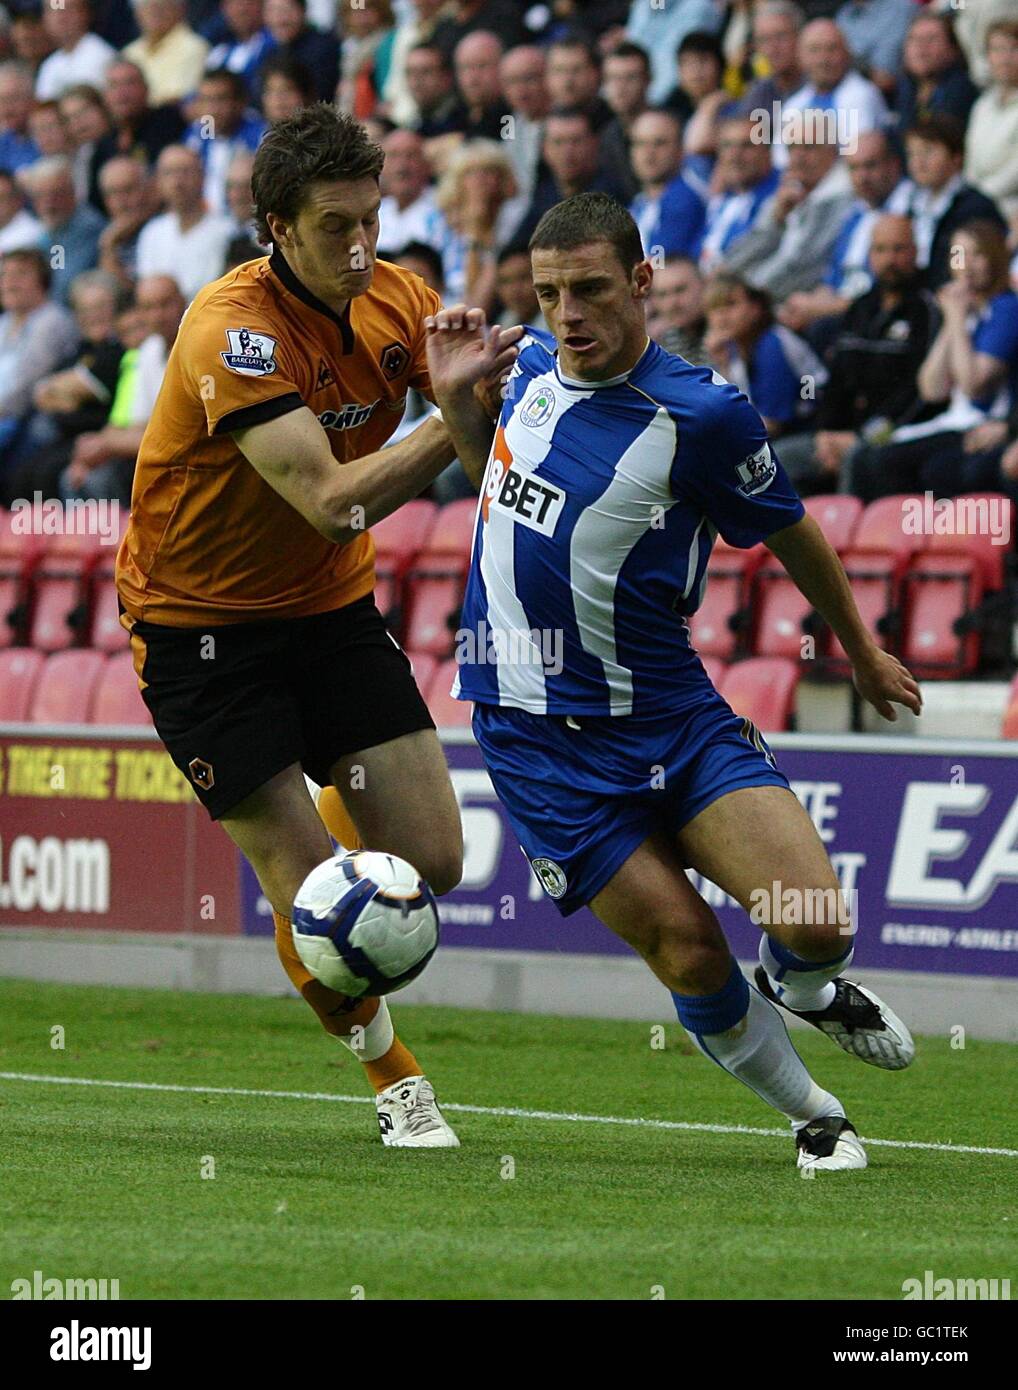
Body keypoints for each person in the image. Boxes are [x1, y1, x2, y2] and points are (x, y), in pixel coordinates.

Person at [427, 190, 919, 1173]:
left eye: (592, 289)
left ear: (642, 280)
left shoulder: (703, 413)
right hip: (533, 741)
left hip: (671, 717)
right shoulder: (519, 369)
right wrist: (449, 404)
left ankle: (807, 988)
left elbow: (794, 531)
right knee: (689, 950)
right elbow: (498, 499)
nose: (569, 313)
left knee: (818, 922)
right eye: (551, 291)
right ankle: (815, 1116)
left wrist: (859, 648)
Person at [114, 104, 520, 1148]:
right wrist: (447, 412)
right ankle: (397, 1081)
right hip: (200, 631)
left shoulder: (403, 300)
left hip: (330, 609)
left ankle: (337, 849)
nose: (359, 246)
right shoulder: (228, 329)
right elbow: (332, 497)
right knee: (313, 899)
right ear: (275, 229)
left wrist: (477, 409)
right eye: (334, 226)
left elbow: (478, 473)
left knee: (434, 859)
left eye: (371, 221)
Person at [849, 219, 1018, 500]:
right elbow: (932, 388)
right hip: (955, 421)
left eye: (977, 254)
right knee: (868, 457)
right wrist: (954, 321)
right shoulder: (966, 309)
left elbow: (973, 383)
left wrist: (954, 317)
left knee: (898, 464)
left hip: (983, 422)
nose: (967, 265)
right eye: (959, 255)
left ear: (995, 259)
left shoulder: (1006, 309)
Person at [785, 215, 942, 493]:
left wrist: (862, 437)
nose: (889, 259)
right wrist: (825, 433)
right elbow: (834, 381)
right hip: (842, 434)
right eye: (881, 250)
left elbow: (919, 394)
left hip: (896, 434)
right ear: (869, 255)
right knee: (777, 459)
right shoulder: (859, 309)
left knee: (858, 460)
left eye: (898, 249)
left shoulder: (928, 309)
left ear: (916, 252)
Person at [721, 131, 854, 301]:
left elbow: (800, 265)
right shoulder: (784, 196)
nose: (798, 157)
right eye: (792, 148)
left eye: (809, 147)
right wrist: (775, 220)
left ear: (833, 152)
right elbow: (735, 261)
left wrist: (745, 295)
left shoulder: (841, 200)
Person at [703, 271, 827, 440]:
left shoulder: (772, 344)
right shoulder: (729, 349)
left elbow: (772, 425)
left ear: (755, 308)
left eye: (731, 304)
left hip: (813, 428)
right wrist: (723, 366)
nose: (722, 316)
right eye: (714, 308)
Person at [902, 113, 1006, 289]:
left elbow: (966, 263)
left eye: (928, 151)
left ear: (956, 156)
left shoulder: (975, 207)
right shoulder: (913, 204)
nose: (918, 162)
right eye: (912, 154)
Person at [135, 144, 236, 300]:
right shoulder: (152, 232)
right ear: (158, 181)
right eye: (169, 173)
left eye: (185, 172)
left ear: (202, 176)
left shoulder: (228, 231)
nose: (177, 182)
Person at [628, 107, 706, 260]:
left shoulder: (684, 200)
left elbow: (659, 264)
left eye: (659, 143)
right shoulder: (640, 203)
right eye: (640, 143)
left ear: (680, 149)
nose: (648, 153)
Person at [964, 18, 1018, 222]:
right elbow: (971, 164)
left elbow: (1014, 173)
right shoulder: (981, 105)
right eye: (997, 49)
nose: (1005, 58)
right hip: (977, 207)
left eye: (1014, 48)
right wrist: (972, 196)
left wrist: (979, 197)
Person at [895, 10, 979, 131]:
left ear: (953, 49)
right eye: (914, 38)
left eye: (932, 39)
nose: (921, 46)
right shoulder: (906, 86)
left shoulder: (961, 90)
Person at [122, 0, 211, 106]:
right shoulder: (130, 52)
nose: (153, 12)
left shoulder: (194, 47)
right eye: (146, 5)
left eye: (161, 5)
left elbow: (179, 98)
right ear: (136, 12)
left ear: (181, 9)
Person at [35, 0, 115, 102]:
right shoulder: (50, 64)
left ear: (84, 13)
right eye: (52, 10)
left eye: (68, 9)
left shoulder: (101, 55)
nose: (60, 17)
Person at [646, 252, 709, 363]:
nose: (672, 303)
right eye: (663, 295)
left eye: (680, 290)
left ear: (703, 285)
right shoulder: (663, 343)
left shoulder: (729, 331)